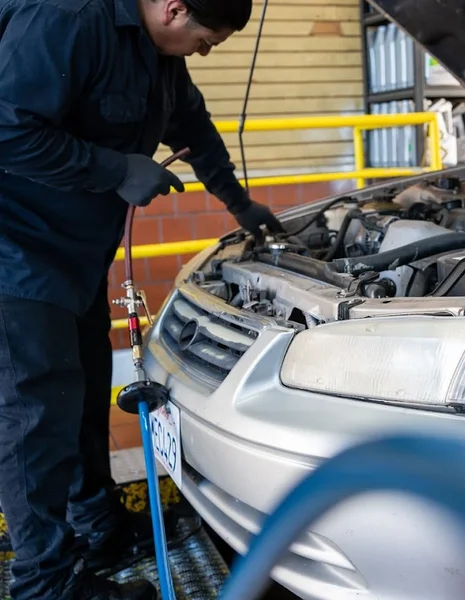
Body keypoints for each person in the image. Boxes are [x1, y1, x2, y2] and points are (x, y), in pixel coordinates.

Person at [0, 0, 284, 595]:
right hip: (15, 251)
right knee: (35, 414)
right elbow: (6, 128)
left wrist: (238, 204)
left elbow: (195, 130)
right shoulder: (69, 19)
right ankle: (43, 582)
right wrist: (115, 169)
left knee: (75, 396)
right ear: (174, 8)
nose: (206, 52)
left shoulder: (159, 55)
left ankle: (96, 525)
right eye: (206, 40)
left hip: (74, 257)